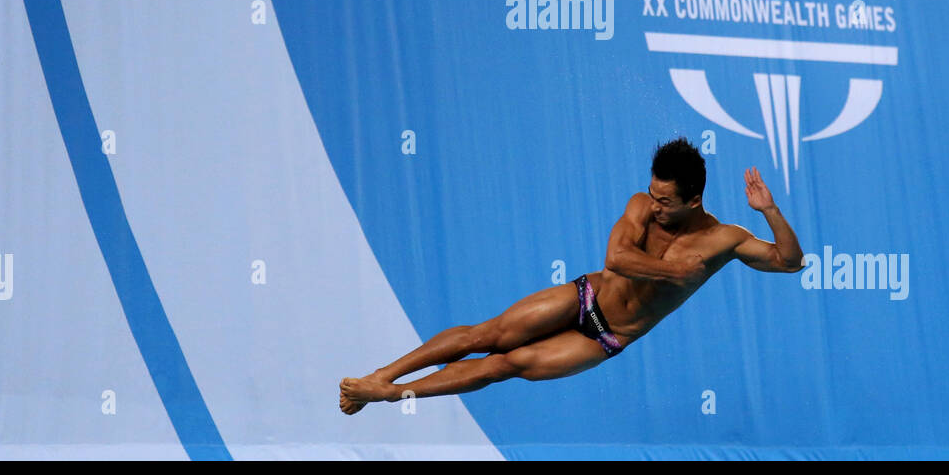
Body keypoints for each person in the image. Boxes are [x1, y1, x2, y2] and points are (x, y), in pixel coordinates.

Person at [338, 137, 805, 413]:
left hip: (605, 337)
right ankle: (382, 374)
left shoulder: (725, 239)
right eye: (653, 194)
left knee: (506, 365)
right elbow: (617, 260)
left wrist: (770, 211)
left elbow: (789, 262)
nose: (655, 205)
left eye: (666, 201)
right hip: (586, 296)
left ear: (694, 201)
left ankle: (393, 394)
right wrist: (670, 270)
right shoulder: (641, 205)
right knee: (489, 334)